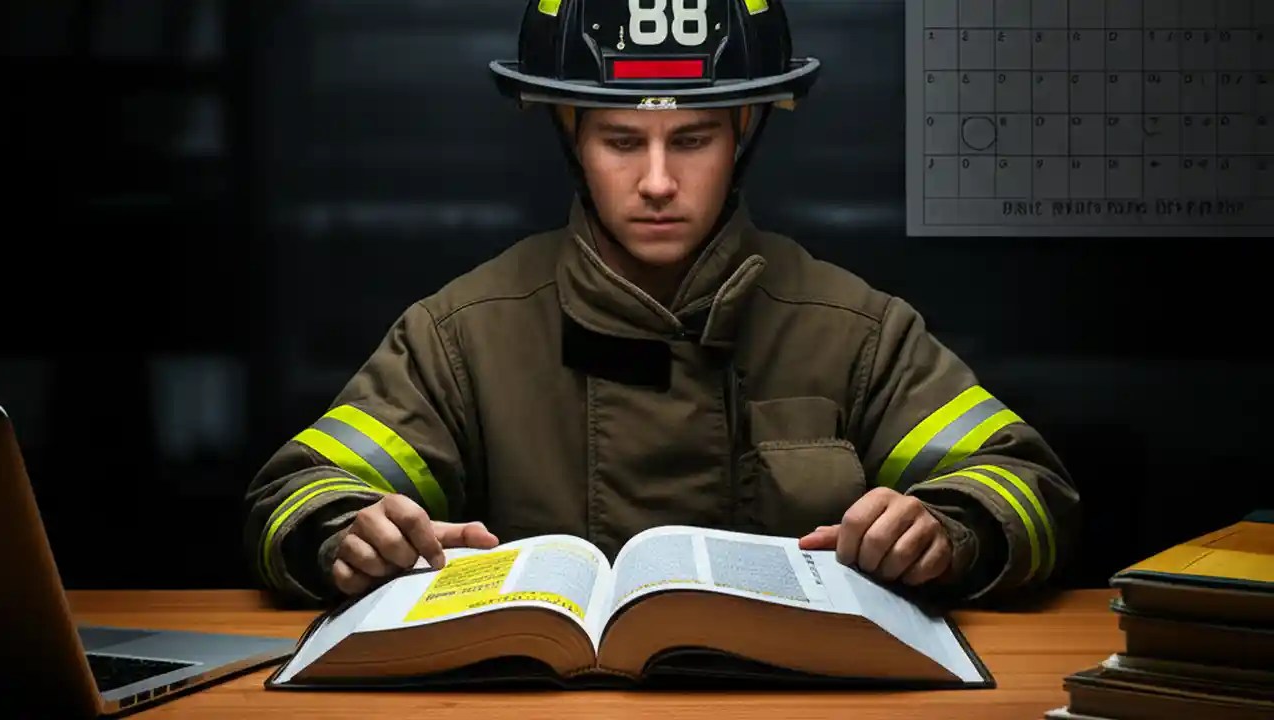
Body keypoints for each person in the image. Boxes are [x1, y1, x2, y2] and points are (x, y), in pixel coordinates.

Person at [243, 0, 1080, 607]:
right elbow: (297, 493)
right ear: (569, 133)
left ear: (744, 130)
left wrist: (950, 531)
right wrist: (345, 533)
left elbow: (1028, 484)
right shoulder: (464, 334)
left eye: (692, 139)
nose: (655, 181)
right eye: (620, 140)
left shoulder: (853, 329)